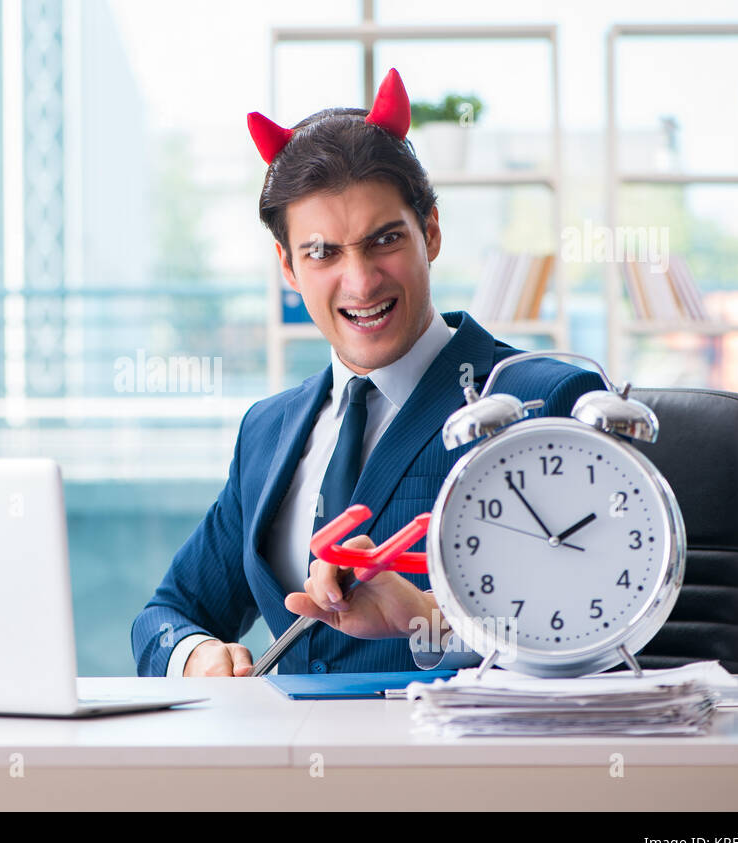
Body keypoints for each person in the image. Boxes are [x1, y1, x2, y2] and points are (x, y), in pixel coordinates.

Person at [131, 68, 605, 677]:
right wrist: (195, 655)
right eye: (322, 252)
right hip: (286, 765)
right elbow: (167, 614)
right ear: (288, 266)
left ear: (430, 233)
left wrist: (429, 618)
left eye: (384, 241)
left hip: (458, 767)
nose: (360, 281)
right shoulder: (267, 430)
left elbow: (605, 624)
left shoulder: (540, 401)